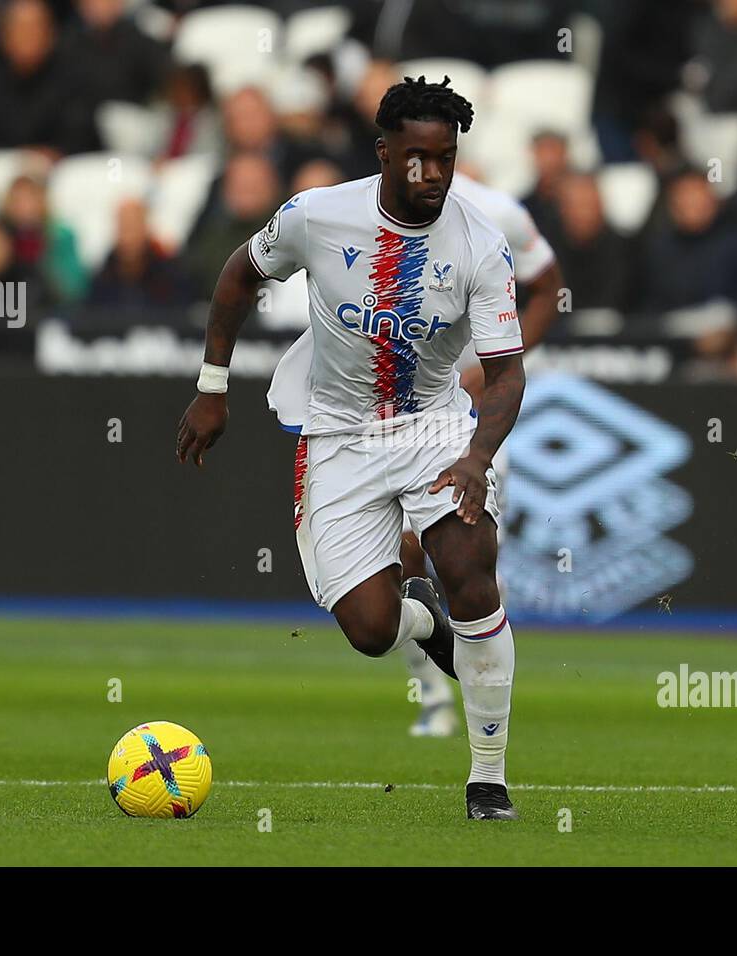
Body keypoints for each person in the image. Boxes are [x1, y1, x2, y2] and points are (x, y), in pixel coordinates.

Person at [175, 76, 526, 820]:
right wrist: (212, 386)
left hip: (435, 424)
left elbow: (505, 374)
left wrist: (475, 459)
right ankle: (420, 620)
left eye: (446, 158)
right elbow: (240, 274)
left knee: (470, 567)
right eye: (416, 158)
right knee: (369, 630)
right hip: (337, 430)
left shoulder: (481, 247)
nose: (431, 175)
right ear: (384, 152)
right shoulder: (315, 216)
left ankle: (487, 778)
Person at [266, 164, 563, 738]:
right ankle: (431, 687)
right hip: (358, 427)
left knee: (469, 562)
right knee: (400, 566)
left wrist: (489, 362)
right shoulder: (351, 214)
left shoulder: (496, 216)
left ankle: (482, 724)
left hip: (458, 415)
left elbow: (549, 284)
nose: (430, 168)